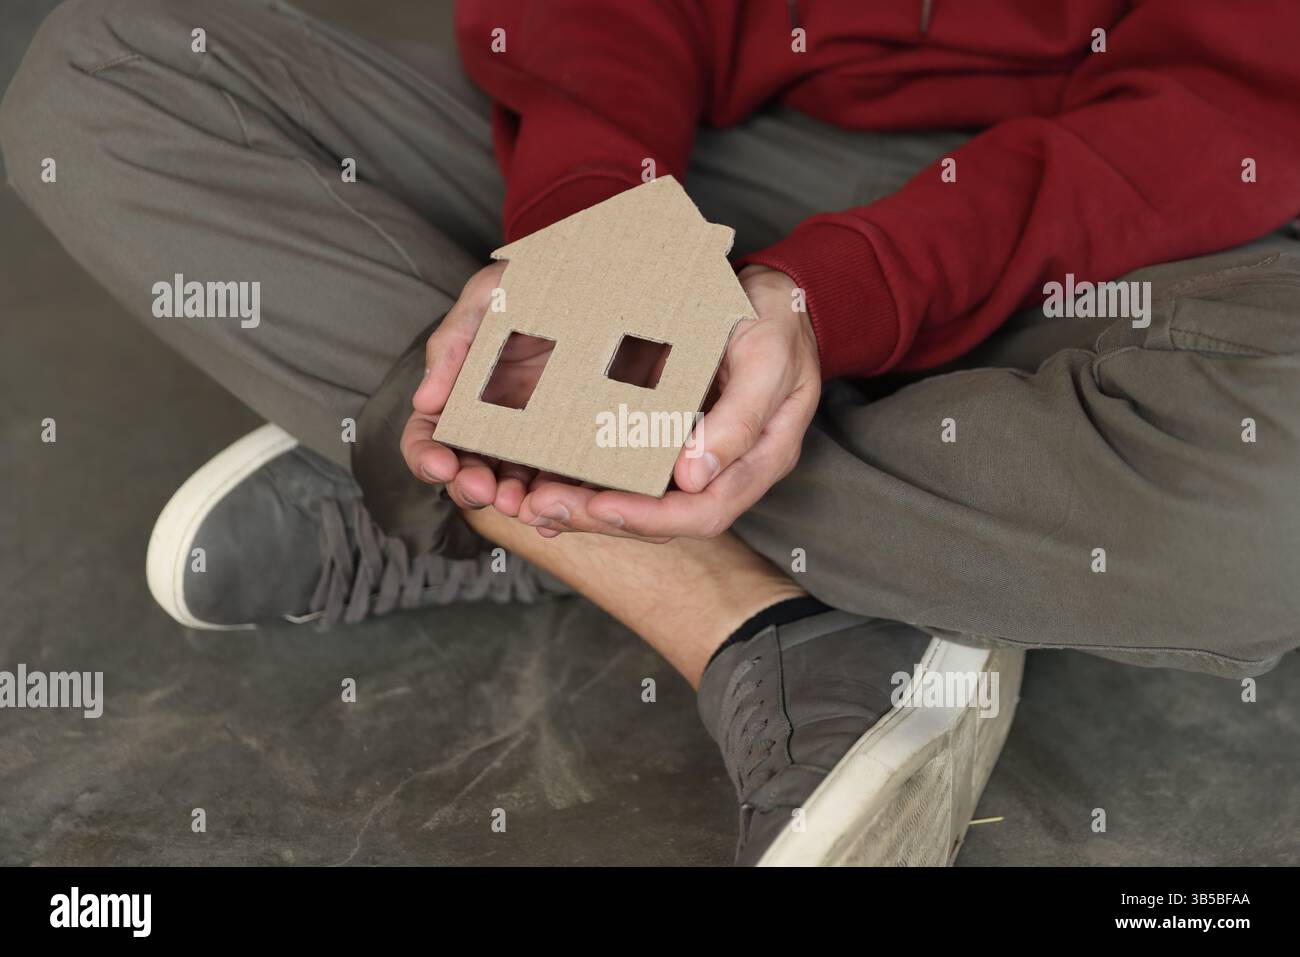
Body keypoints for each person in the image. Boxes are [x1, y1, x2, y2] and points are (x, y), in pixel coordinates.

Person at [3, 0, 1298, 865]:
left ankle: (480, 471)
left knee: (1272, 519)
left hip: (1129, 219)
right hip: (713, 157)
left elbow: (1229, 108)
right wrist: (596, 256)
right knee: (106, 75)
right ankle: (745, 604)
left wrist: (826, 297)